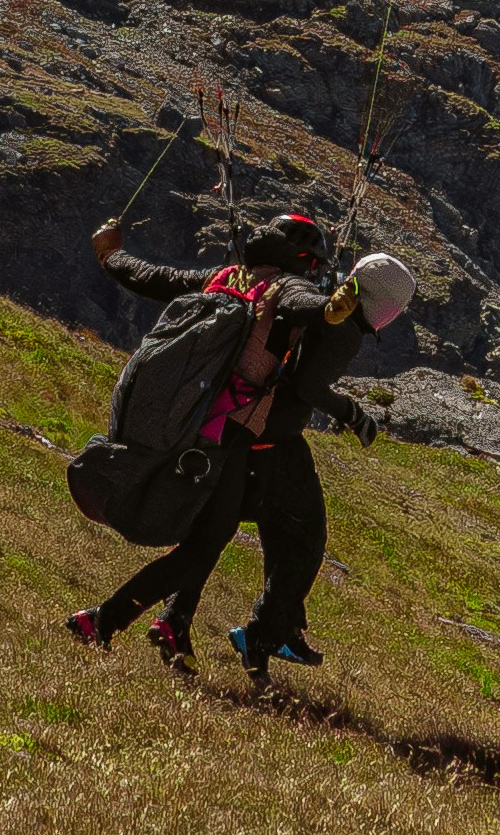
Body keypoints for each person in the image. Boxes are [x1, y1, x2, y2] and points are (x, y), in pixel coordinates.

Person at [65, 217, 410, 672]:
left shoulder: (226, 277)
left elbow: (153, 277)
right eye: (312, 264)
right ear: (301, 260)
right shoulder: (287, 289)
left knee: (204, 539)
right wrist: (329, 310)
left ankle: (168, 626)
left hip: (193, 421)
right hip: (226, 438)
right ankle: (103, 622)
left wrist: (110, 254)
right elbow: (305, 306)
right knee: (204, 545)